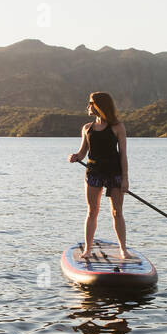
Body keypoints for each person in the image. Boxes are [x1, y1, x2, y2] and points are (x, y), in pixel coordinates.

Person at [68, 91, 131, 261]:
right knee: (92, 211)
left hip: (114, 174)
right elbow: (82, 153)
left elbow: (123, 155)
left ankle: (123, 250)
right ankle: (88, 249)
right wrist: (75, 157)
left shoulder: (118, 127)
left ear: (99, 106)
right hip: (94, 173)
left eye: (90, 103)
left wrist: (125, 179)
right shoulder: (87, 128)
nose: (88, 106)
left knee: (117, 212)